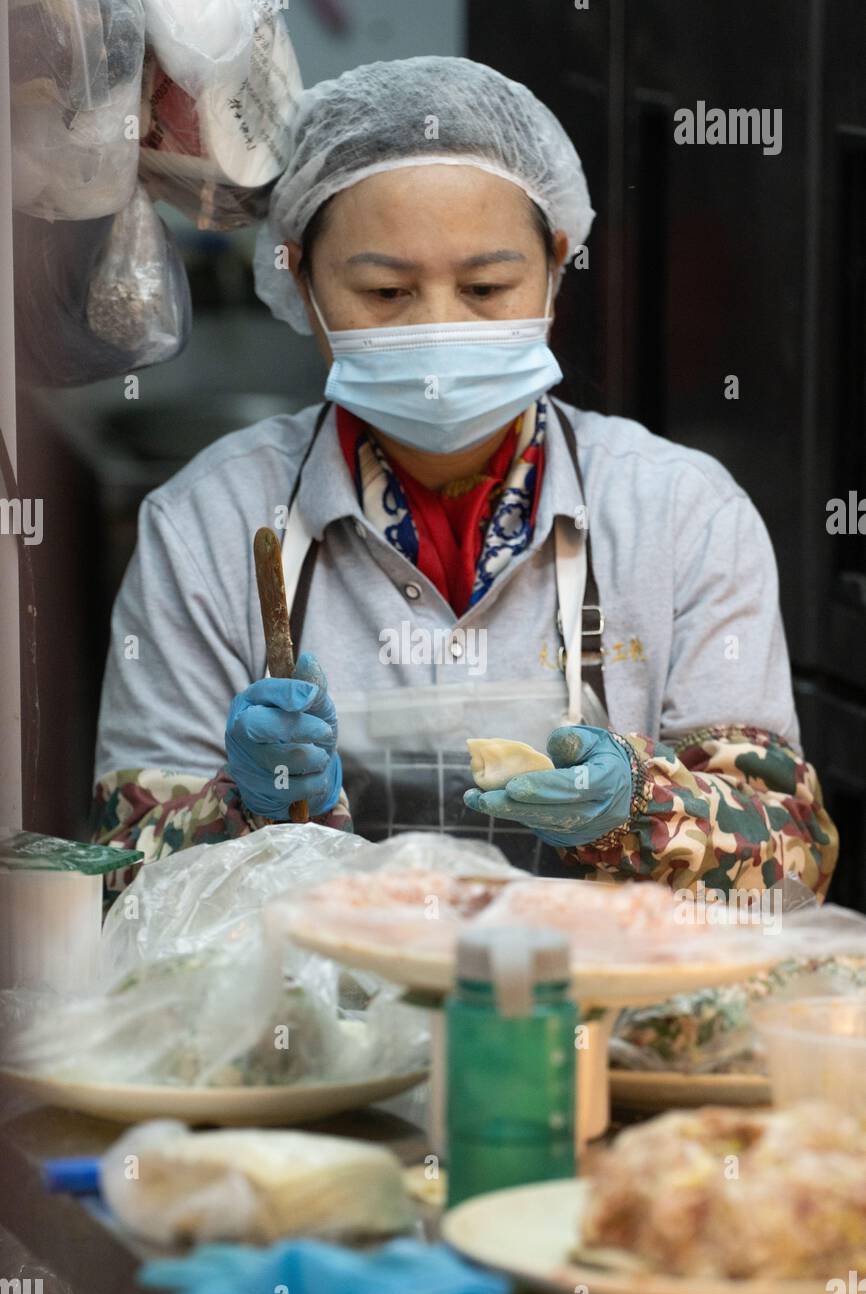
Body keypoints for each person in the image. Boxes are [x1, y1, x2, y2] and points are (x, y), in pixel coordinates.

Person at [92, 56, 838, 905]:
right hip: (309, 1023)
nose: (439, 327)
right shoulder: (207, 523)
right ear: (300, 276)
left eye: (487, 286)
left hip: (601, 1020)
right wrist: (248, 809)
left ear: (557, 265)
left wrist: (639, 807)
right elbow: (122, 880)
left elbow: (790, 857)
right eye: (385, 290)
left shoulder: (681, 514)